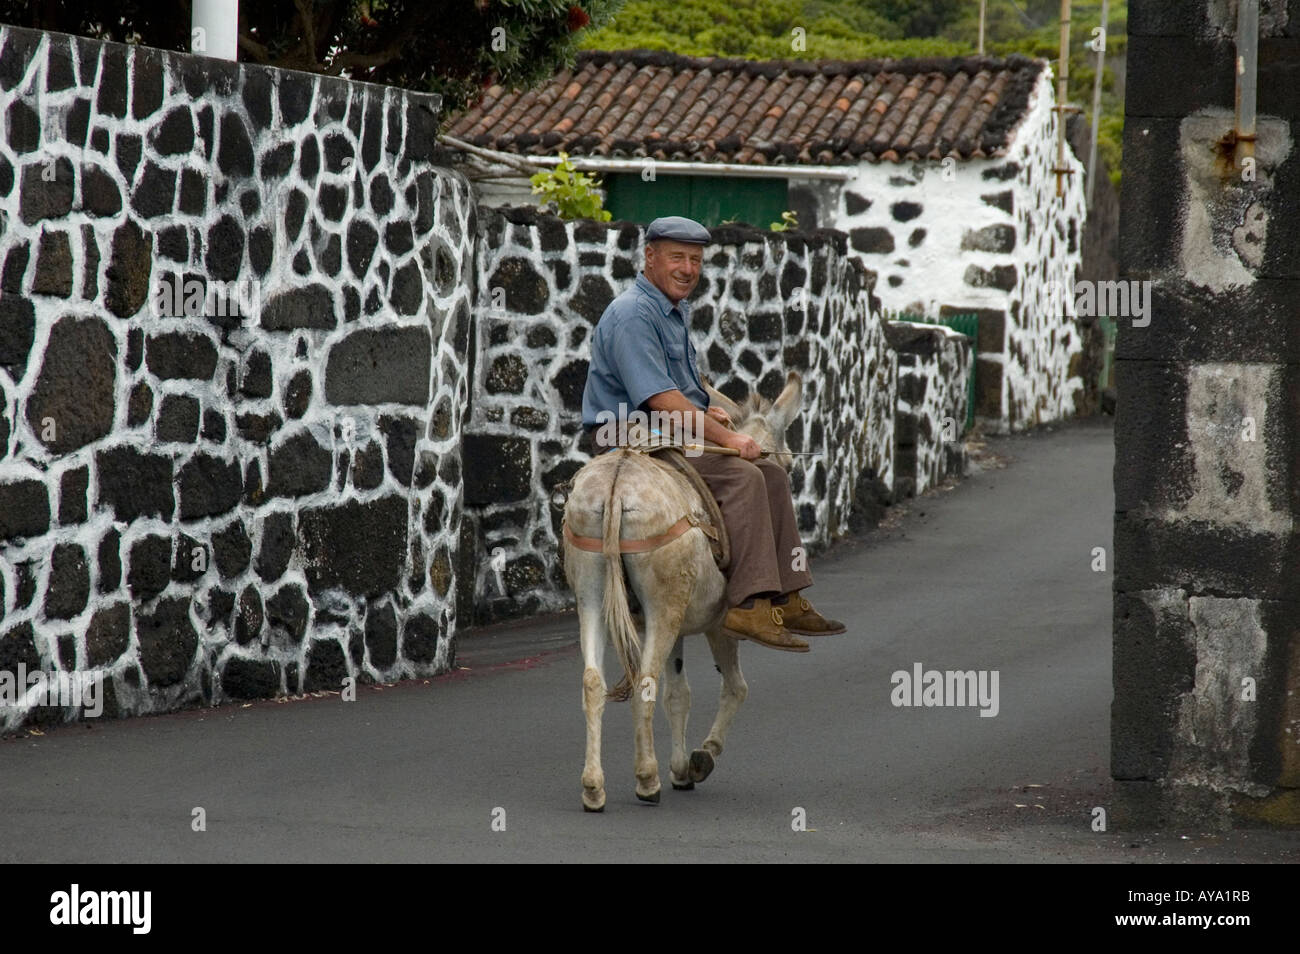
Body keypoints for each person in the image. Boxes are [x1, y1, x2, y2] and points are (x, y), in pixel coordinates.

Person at [581, 214, 846, 653]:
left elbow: (683, 392)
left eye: (696, 260)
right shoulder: (633, 314)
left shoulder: (672, 310)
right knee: (745, 476)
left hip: (664, 428)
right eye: (677, 258)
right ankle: (747, 606)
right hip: (629, 434)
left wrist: (710, 414)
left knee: (773, 474)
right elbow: (661, 400)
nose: (688, 269)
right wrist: (728, 440)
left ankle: (786, 595)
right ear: (650, 257)